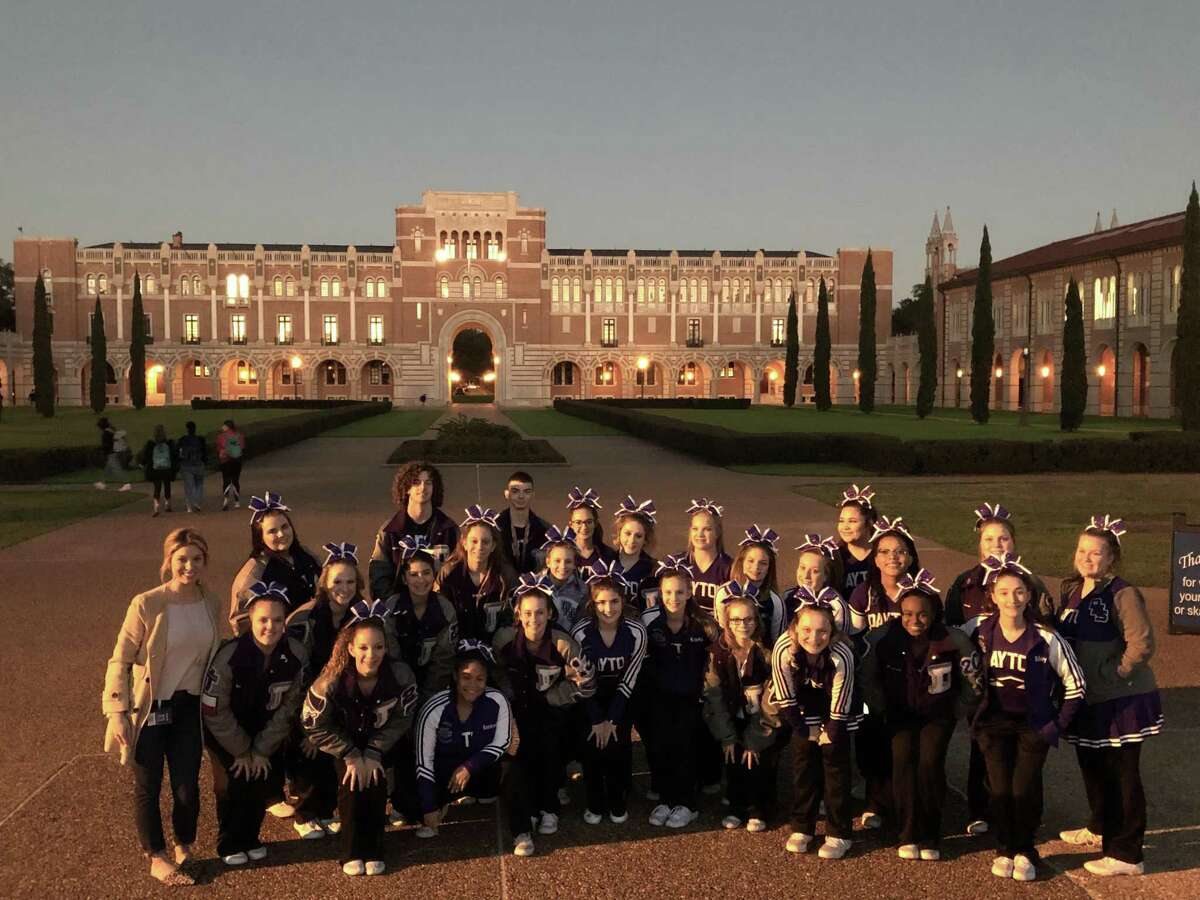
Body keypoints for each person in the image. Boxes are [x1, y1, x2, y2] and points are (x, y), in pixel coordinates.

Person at [102, 528, 222, 886]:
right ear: (168, 560)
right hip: (150, 707)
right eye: (181, 559)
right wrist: (117, 712)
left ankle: (184, 844)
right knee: (148, 784)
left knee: (187, 786)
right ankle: (156, 854)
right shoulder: (147, 603)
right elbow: (120, 660)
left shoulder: (211, 602)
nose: (189, 566)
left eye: (197, 559)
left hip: (189, 708)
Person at [965, 555, 1085, 883]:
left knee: (1025, 787)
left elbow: (1076, 685)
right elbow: (953, 654)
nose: (1012, 599)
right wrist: (971, 711)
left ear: (1029, 595)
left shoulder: (1046, 637)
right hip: (992, 723)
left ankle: (1025, 849)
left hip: (1033, 725)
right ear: (993, 596)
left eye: (1019, 592)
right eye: (1004, 592)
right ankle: (1005, 848)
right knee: (1000, 788)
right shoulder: (977, 629)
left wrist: (1056, 725)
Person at [1056, 516, 1162, 878]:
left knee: (1122, 775)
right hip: (1087, 697)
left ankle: (1127, 854)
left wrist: (1112, 673)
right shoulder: (1073, 590)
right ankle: (1099, 825)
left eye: (1096, 553)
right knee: (1093, 766)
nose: (1086, 558)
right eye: (1082, 551)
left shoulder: (1123, 593)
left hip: (1120, 699)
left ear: (1112, 557)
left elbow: (1141, 643)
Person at [944, 502, 1053, 836]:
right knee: (983, 745)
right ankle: (980, 809)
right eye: (989, 539)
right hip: (981, 681)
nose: (997, 545)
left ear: (1014, 542)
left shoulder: (1030, 581)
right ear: (979, 544)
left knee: (1026, 753)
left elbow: (1048, 627)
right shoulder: (964, 583)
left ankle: (1027, 813)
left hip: (1022, 680)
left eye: (1003, 538)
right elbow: (952, 628)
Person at [860, 569, 983, 861]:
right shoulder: (882, 637)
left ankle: (930, 833)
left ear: (934, 613)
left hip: (937, 716)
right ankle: (907, 832)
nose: (914, 620)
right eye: (907, 614)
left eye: (922, 614)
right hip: (898, 715)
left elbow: (973, 681)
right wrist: (880, 708)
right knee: (902, 762)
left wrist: (956, 710)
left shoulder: (953, 640)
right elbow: (867, 677)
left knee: (929, 763)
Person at [302, 604, 419, 877]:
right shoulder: (330, 681)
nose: (371, 654)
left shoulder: (401, 675)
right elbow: (313, 724)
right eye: (363, 647)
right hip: (344, 745)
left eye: (378, 647)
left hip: (382, 742)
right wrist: (351, 753)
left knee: (375, 780)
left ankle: (375, 849)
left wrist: (375, 750)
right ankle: (351, 851)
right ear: (351, 648)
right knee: (352, 782)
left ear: (386, 648)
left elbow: (403, 717)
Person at [201, 583, 308, 866]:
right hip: (225, 731)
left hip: (265, 731)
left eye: (277, 620)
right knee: (231, 783)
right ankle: (229, 842)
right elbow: (214, 709)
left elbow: (289, 708)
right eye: (263, 620)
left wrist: (260, 749)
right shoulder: (229, 656)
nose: (270, 627)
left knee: (260, 778)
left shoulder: (296, 653)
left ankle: (251, 838)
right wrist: (241, 750)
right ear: (251, 620)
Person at [493, 581, 595, 856]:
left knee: (549, 752)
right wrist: (508, 695)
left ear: (550, 613)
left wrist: (553, 697)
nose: (533, 619)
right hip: (516, 710)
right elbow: (495, 672)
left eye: (540, 612)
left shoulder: (562, 643)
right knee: (519, 757)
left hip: (551, 711)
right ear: (518, 613)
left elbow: (586, 683)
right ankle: (528, 812)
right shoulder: (503, 639)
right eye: (527, 613)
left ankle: (549, 806)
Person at [285, 542, 368, 839]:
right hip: (306, 698)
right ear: (324, 583)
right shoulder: (304, 618)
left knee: (335, 751)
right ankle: (305, 812)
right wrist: (309, 725)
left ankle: (326, 809)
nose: (344, 589)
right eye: (337, 582)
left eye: (350, 582)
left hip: (344, 698)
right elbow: (295, 674)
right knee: (309, 749)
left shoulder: (362, 616)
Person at [770, 596, 860, 860]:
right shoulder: (783, 648)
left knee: (835, 766)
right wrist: (802, 730)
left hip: (836, 705)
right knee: (803, 764)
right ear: (796, 628)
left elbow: (842, 697)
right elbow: (784, 694)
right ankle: (802, 826)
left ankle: (839, 833)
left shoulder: (842, 653)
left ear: (832, 631)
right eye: (807, 630)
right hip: (802, 705)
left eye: (822, 631)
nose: (814, 637)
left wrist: (831, 730)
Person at [846, 515, 921, 830]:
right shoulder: (863, 593)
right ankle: (875, 801)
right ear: (874, 558)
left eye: (900, 551)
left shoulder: (920, 591)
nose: (893, 557)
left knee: (905, 747)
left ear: (911, 557)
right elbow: (853, 637)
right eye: (885, 551)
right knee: (871, 741)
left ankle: (904, 802)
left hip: (910, 682)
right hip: (872, 684)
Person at [642, 558, 719, 829]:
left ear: (689, 593)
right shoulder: (651, 623)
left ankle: (687, 804)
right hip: (661, 698)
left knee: (686, 748)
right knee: (662, 747)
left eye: (679, 592)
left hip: (692, 699)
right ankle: (666, 799)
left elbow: (717, 658)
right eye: (667, 592)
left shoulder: (704, 625)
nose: (673, 598)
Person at [413, 640, 515, 839]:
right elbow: (424, 761)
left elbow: (502, 742)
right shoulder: (435, 708)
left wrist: (469, 767)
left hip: (479, 770)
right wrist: (429, 806)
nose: (473, 685)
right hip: (446, 774)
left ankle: (519, 828)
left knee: (513, 772)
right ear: (455, 676)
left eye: (480, 678)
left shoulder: (497, 700)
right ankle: (439, 805)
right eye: (466, 677)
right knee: (410, 802)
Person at [571, 566, 647, 825]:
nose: (608, 608)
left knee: (617, 743)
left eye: (614, 601)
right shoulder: (580, 632)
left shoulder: (636, 631)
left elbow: (630, 677)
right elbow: (581, 679)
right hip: (589, 696)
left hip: (621, 695)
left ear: (623, 601)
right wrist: (596, 718)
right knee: (592, 745)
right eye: (601, 602)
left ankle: (617, 798)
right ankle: (594, 801)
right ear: (592, 604)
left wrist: (612, 718)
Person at [702, 594, 781, 834]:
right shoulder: (717, 653)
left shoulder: (769, 653)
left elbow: (773, 700)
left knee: (758, 760)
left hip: (762, 718)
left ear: (757, 621)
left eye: (748, 619)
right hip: (731, 716)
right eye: (736, 620)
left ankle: (759, 808)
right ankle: (736, 805)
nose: (743, 625)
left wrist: (756, 739)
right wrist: (727, 736)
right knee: (733, 757)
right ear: (727, 623)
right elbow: (714, 697)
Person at [230, 492, 321, 634]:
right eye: (272, 531)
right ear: (260, 537)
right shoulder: (254, 573)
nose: (281, 534)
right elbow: (240, 621)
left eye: (285, 527)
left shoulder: (306, 555)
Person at [369, 462, 459, 600]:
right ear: (406, 488)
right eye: (416, 482)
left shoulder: (449, 529)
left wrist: (443, 603)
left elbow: (460, 573)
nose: (423, 487)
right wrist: (395, 604)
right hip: (399, 605)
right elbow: (379, 577)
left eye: (428, 482)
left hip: (439, 604)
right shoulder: (389, 531)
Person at [435, 506, 514, 643]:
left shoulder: (505, 575)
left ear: (493, 546)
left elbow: (513, 617)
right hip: (457, 644)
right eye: (474, 541)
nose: (479, 547)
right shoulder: (449, 573)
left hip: (493, 645)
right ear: (464, 543)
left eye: (486, 542)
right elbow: (440, 613)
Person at [714, 526, 786, 645]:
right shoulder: (725, 592)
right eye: (750, 561)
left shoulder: (775, 601)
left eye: (763, 563)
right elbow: (721, 631)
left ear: (770, 568)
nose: (756, 567)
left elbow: (777, 640)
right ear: (741, 562)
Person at [785, 534, 850, 630]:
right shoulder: (788, 596)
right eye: (802, 567)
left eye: (815, 571)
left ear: (826, 575)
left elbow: (840, 637)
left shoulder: (836, 605)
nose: (806, 576)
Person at [680, 498, 732, 616]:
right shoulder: (678, 564)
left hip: (716, 626)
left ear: (717, 532)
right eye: (695, 529)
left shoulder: (729, 568)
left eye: (707, 529)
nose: (700, 534)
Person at [497, 471, 550, 575]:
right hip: (501, 584)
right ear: (507, 494)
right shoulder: (494, 528)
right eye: (515, 491)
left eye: (527, 491)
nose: (521, 496)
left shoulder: (545, 530)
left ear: (533, 495)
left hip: (535, 584)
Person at [612, 495, 660, 609]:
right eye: (627, 533)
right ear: (619, 533)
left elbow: (652, 609)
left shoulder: (652, 569)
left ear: (645, 539)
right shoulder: (607, 562)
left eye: (638, 536)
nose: (632, 540)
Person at [538, 526, 587, 631]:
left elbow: (583, 622)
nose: (563, 566)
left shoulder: (582, 589)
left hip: (569, 637)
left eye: (568, 561)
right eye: (557, 561)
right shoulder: (536, 584)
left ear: (574, 564)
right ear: (548, 562)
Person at [835, 484, 878, 596]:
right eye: (841, 521)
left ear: (869, 523)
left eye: (852, 521)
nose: (845, 527)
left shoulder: (882, 554)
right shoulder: (834, 556)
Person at [566, 486, 617, 576]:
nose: (584, 527)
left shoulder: (608, 554)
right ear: (571, 525)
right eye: (578, 522)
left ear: (595, 523)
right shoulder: (563, 552)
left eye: (589, 522)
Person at [141, 424, 178, 517]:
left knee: (157, 487)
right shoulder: (169, 443)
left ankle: (156, 506)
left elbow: (146, 456)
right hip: (167, 468)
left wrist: (143, 464)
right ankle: (167, 504)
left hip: (156, 469)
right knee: (167, 485)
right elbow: (174, 455)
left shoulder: (151, 444)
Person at [176, 421, 208, 514]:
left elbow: (178, 452)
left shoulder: (182, 440)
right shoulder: (200, 439)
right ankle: (196, 502)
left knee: (188, 486)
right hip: (198, 464)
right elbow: (205, 452)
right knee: (199, 485)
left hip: (186, 465)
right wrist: (205, 462)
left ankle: (189, 506)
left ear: (187, 429)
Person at [94, 416, 131, 491]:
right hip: (114, 452)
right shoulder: (110, 432)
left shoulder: (106, 433)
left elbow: (107, 445)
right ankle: (102, 483)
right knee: (108, 469)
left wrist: (101, 449)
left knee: (117, 469)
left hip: (112, 453)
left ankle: (126, 484)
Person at [216, 420, 246, 511]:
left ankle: (226, 500)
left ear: (227, 427)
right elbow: (242, 448)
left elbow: (218, 449)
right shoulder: (240, 436)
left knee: (226, 480)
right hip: (237, 461)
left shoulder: (220, 437)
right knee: (235, 480)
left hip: (225, 461)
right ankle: (237, 502)